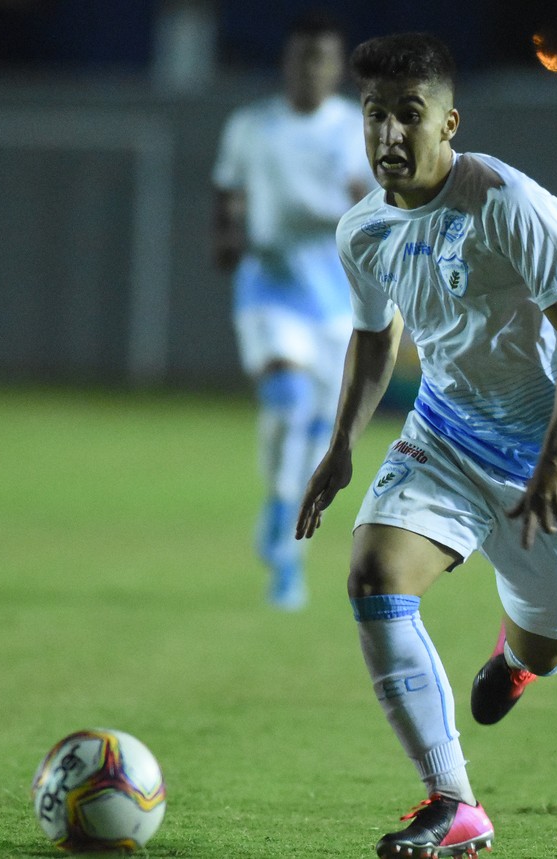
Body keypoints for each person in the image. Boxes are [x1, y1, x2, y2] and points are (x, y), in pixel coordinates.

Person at [296, 33, 557, 859]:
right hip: (443, 435)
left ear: (448, 123)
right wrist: (341, 445)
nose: (389, 135)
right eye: (375, 115)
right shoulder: (363, 230)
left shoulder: (508, 203)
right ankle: (454, 801)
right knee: (374, 576)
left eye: (410, 114)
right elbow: (376, 336)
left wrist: (556, 456)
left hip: (551, 461)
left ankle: (522, 657)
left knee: (548, 639)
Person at [211, 10, 373, 611]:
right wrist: (226, 235)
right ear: (287, 62)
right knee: (288, 401)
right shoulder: (251, 126)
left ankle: (288, 548)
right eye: (302, 57)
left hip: (334, 298)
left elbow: (372, 202)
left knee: (318, 430)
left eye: (322, 59)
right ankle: (282, 514)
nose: (311, 68)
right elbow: (228, 194)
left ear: (337, 68)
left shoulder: (354, 127)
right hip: (269, 287)